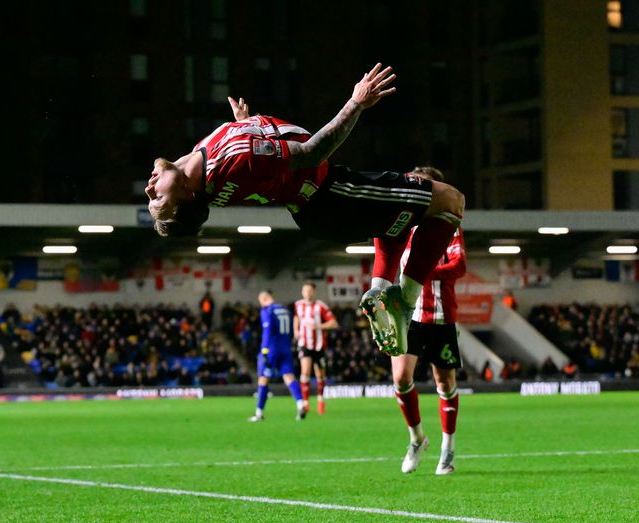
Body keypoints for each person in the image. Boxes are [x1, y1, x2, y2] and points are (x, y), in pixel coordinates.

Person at [144, 63, 465, 358]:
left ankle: (382, 291)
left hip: (317, 208)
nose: (149, 189)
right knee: (450, 202)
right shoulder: (233, 160)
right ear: (186, 194)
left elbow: (252, 166)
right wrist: (356, 103)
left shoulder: (202, 163)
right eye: (158, 200)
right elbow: (312, 153)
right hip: (331, 194)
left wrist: (245, 124)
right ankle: (405, 303)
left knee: (397, 220)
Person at [385, 170, 466, 475]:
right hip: (409, 315)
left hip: (441, 315)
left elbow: (459, 265)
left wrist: (423, 272)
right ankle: (417, 439)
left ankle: (448, 448)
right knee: (401, 379)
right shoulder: (402, 225)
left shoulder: (449, 225)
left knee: (444, 383)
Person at [249, 289, 306, 422]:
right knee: (289, 377)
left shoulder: (267, 311)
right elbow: (291, 331)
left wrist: (264, 350)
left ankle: (259, 413)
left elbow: (267, 331)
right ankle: (300, 403)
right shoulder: (286, 310)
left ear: (263, 299)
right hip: (286, 348)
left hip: (272, 349)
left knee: (263, 379)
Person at [293, 282, 339, 415]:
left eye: (309, 290)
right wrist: (295, 330)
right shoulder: (298, 305)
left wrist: (319, 326)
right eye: (305, 290)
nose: (307, 293)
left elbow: (334, 323)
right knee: (305, 371)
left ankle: (320, 399)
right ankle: (305, 403)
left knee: (320, 374)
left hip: (319, 345)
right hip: (304, 344)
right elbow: (296, 317)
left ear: (314, 292)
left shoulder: (321, 306)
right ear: (302, 292)